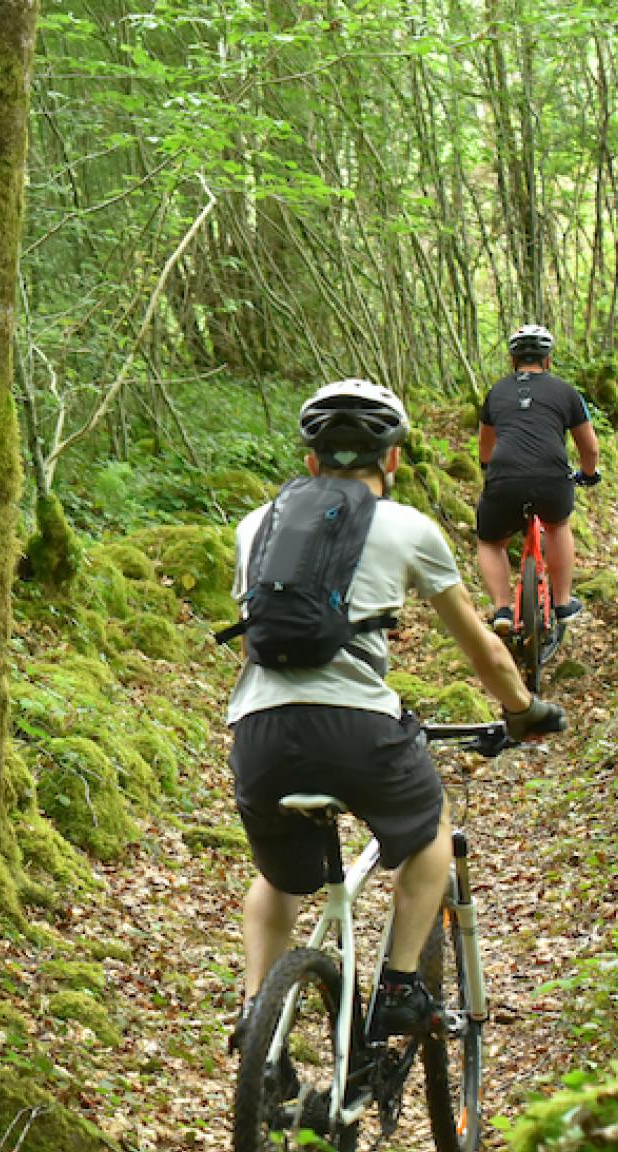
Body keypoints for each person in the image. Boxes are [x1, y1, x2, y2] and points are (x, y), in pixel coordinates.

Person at [226, 380, 564, 1046]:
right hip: (360, 730)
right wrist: (522, 709)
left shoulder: (252, 527)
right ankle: (402, 988)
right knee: (430, 831)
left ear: (312, 461)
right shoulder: (410, 528)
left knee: (276, 880)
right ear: (394, 460)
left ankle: (255, 1027)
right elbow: (485, 650)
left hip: (259, 732)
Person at [476, 324, 601, 630]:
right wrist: (588, 474)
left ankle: (503, 610)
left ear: (512, 360)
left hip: (505, 476)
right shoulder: (566, 392)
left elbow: (485, 446)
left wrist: (488, 470)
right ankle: (562, 603)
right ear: (548, 361)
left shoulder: (496, 393)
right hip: (552, 476)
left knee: (490, 542)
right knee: (557, 525)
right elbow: (590, 448)